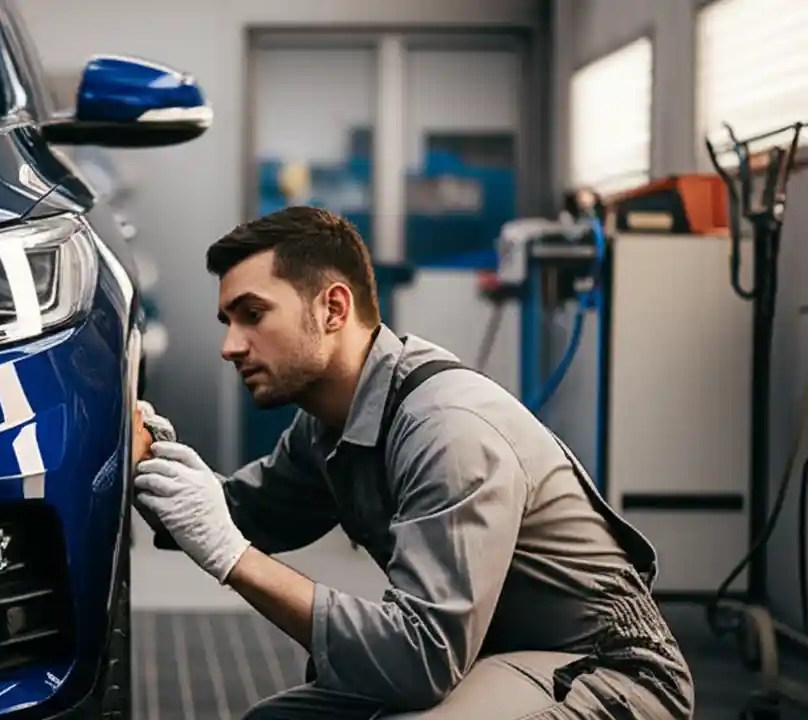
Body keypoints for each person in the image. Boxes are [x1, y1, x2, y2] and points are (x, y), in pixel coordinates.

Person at [130, 206, 694, 719]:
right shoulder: (330, 423)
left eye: (252, 314)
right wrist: (147, 460)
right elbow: (239, 513)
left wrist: (231, 557)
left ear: (333, 308)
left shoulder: (448, 430)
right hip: (483, 655)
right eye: (228, 320)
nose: (231, 344)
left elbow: (419, 660)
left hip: (608, 673)